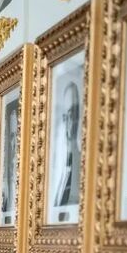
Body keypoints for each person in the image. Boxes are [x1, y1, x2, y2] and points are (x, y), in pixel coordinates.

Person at [50, 80, 81, 220]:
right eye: (66, 115)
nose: (70, 121)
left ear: (78, 116)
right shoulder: (55, 167)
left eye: (73, 113)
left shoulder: (83, 163)